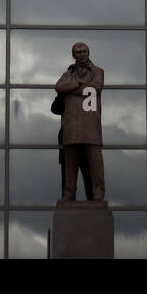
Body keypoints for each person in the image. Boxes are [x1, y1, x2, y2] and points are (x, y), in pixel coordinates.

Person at [53, 42, 105, 201]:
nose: (82, 54)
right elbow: (59, 87)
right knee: (70, 164)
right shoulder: (69, 73)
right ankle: (69, 193)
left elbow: (94, 88)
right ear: (74, 55)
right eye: (78, 52)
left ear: (89, 52)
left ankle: (98, 193)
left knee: (95, 164)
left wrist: (73, 87)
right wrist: (78, 85)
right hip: (71, 125)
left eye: (84, 51)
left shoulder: (98, 71)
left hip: (90, 126)